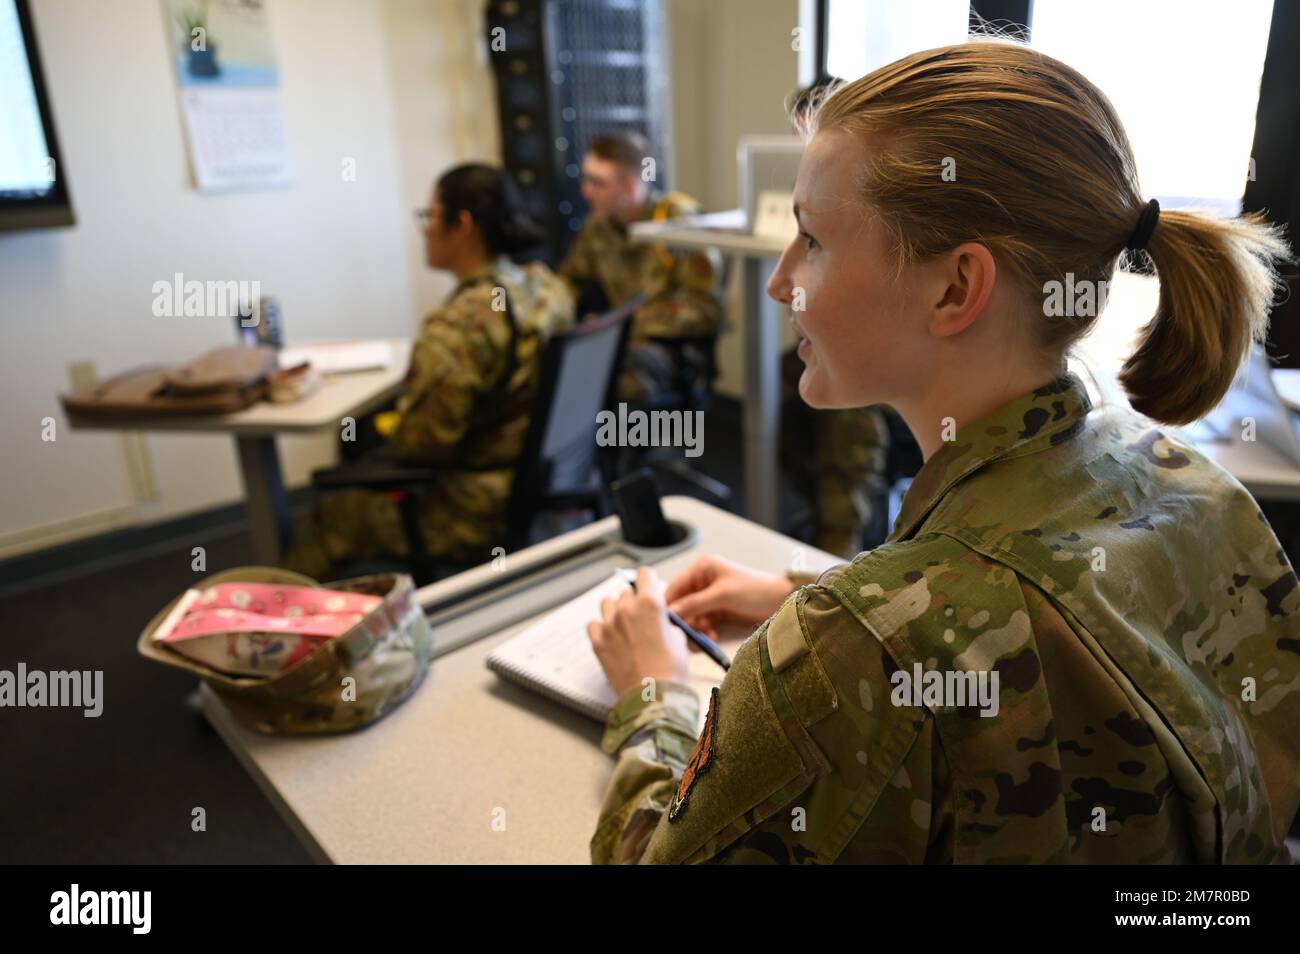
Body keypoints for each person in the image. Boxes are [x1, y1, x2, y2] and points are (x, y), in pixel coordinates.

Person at [584, 42, 1300, 864]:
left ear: (956, 288)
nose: (782, 281)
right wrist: (799, 590)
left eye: (812, 239)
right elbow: (1052, 600)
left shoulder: (858, 644)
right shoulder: (1190, 484)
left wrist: (654, 689)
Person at [284, 164, 574, 580]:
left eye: (430, 216)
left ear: (463, 224)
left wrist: (390, 430)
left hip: (475, 508)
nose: (425, 230)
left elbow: (422, 446)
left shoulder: (461, 325)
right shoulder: (547, 288)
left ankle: (286, 631)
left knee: (332, 518)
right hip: (542, 485)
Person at [559, 132, 722, 401]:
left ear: (631, 187)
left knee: (604, 387)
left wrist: (617, 325)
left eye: (597, 182)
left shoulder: (678, 223)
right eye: (586, 178)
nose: (585, 191)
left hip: (670, 348)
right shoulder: (599, 227)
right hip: (619, 341)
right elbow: (568, 280)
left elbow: (704, 310)